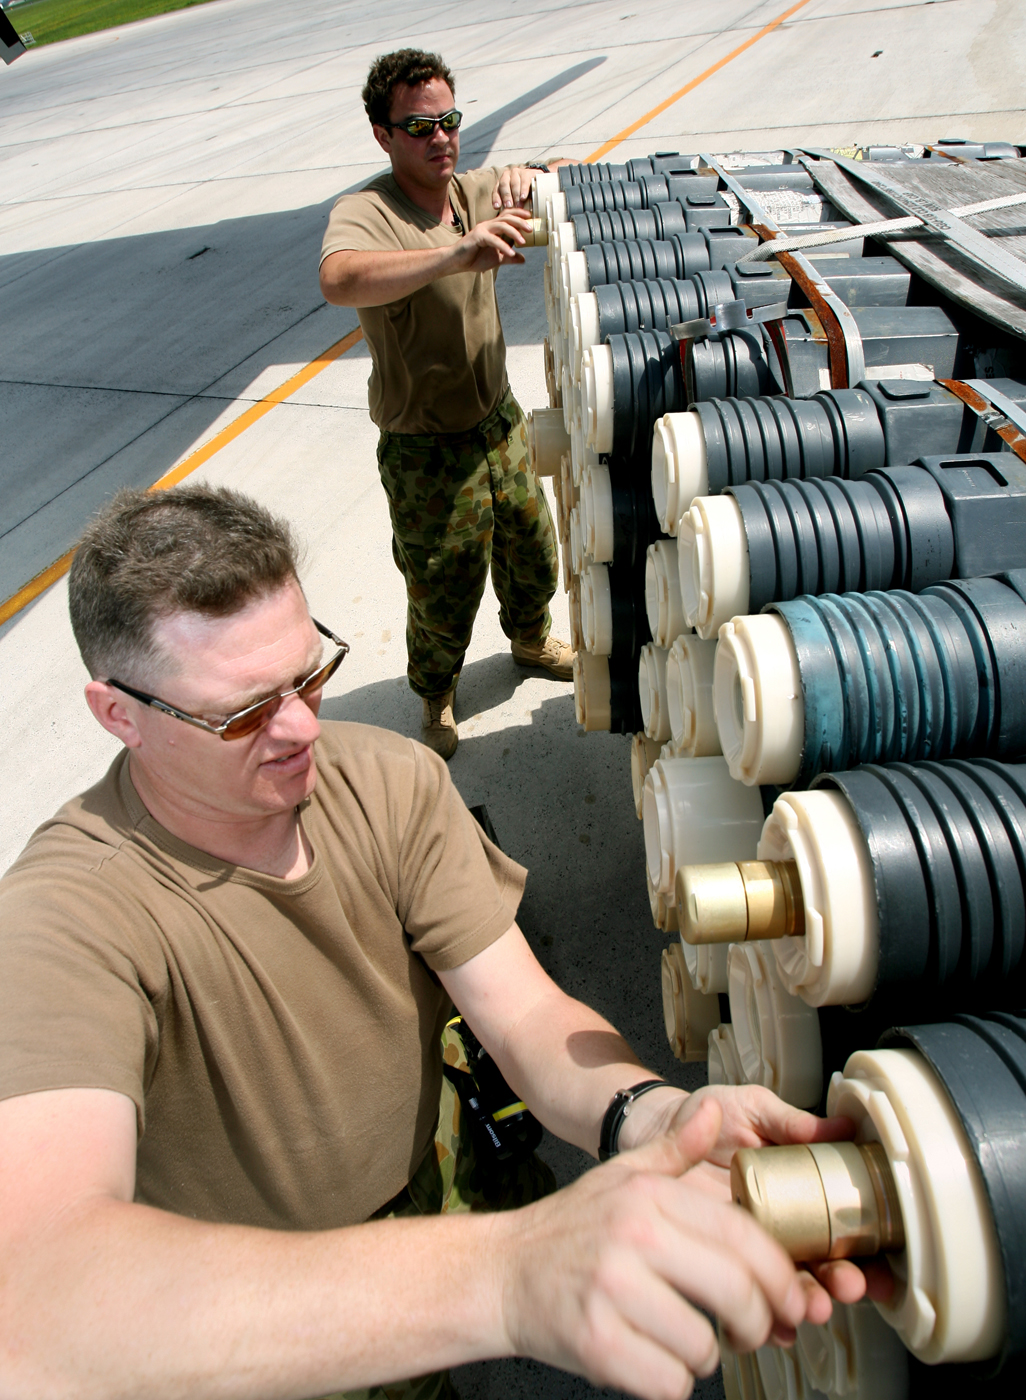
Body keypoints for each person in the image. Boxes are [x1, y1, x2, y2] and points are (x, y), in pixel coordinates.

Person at [0, 486, 869, 1400]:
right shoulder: (66, 920)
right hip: (250, 1314)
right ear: (119, 714)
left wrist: (651, 1118)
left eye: (307, 677)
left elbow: (523, 1016)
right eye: (243, 713)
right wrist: (503, 1277)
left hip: (440, 1174)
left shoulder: (387, 782)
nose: (302, 728)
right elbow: (37, 1297)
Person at [319, 49, 571, 761]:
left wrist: (534, 172)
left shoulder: (470, 191)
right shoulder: (368, 211)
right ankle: (436, 692)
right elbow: (339, 279)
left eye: (449, 121)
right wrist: (455, 255)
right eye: (419, 126)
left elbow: (570, 175)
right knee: (441, 590)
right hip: (425, 447)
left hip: (499, 422)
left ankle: (530, 639)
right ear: (384, 135)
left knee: (534, 552)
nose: (440, 138)